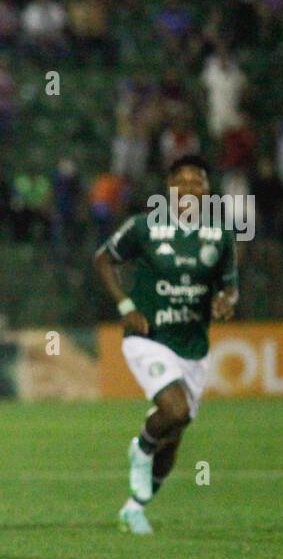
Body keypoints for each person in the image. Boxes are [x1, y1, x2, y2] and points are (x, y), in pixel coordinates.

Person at [92, 155, 238, 535]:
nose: (190, 188)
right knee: (173, 411)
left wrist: (227, 300)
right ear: (168, 187)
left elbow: (229, 283)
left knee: (176, 432)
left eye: (198, 182)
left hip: (193, 345)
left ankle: (134, 506)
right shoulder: (144, 227)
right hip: (148, 339)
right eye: (182, 181)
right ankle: (140, 447)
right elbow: (103, 259)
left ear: (207, 191)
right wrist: (126, 305)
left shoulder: (220, 235)